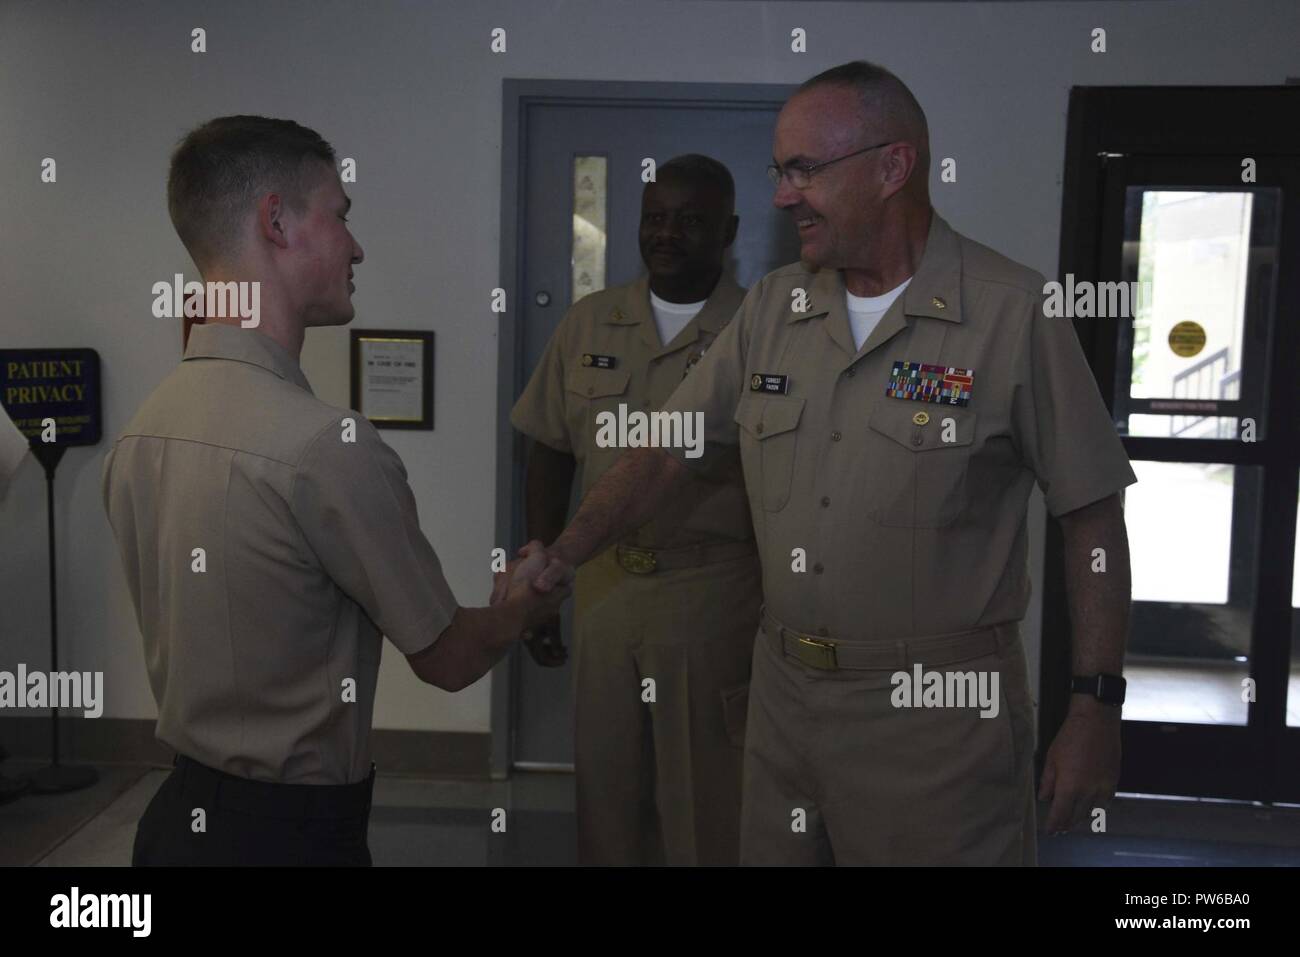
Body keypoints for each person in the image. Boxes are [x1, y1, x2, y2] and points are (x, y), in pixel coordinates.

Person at [505, 62, 1137, 866]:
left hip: (932, 718)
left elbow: (1092, 517)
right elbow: (665, 449)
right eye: (780, 171)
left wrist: (1096, 706)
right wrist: (564, 550)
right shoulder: (776, 308)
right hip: (782, 703)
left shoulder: (1013, 314)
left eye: (804, 169)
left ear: (892, 167)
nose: (781, 194)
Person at [103, 115, 571, 866]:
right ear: (277, 221)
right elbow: (447, 659)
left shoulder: (141, 432)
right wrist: (523, 606)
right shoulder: (325, 448)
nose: (356, 246)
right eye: (341, 214)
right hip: (289, 839)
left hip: (174, 825)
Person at [509, 155, 762, 865]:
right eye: (655, 217)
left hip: (713, 596)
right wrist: (542, 574)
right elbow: (551, 450)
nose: (667, 233)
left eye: (690, 220)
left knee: (705, 804)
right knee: (607, 799)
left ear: (730, 230)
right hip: (605, 591)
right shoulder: (591, 322)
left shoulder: (757, 327)